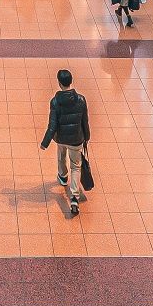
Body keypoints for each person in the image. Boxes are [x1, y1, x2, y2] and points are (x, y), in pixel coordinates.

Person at [39, 69, 90, 215]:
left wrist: (45, 143)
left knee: (61, 156)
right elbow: (84, 121)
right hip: (76, 138)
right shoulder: (81, 100)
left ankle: (62, 176)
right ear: (70, 81)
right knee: (76, 166)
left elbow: (52, 125)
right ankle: (74, 197)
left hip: (61, 138)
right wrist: (86, 136)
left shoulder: (55, 102)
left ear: (59, 83)